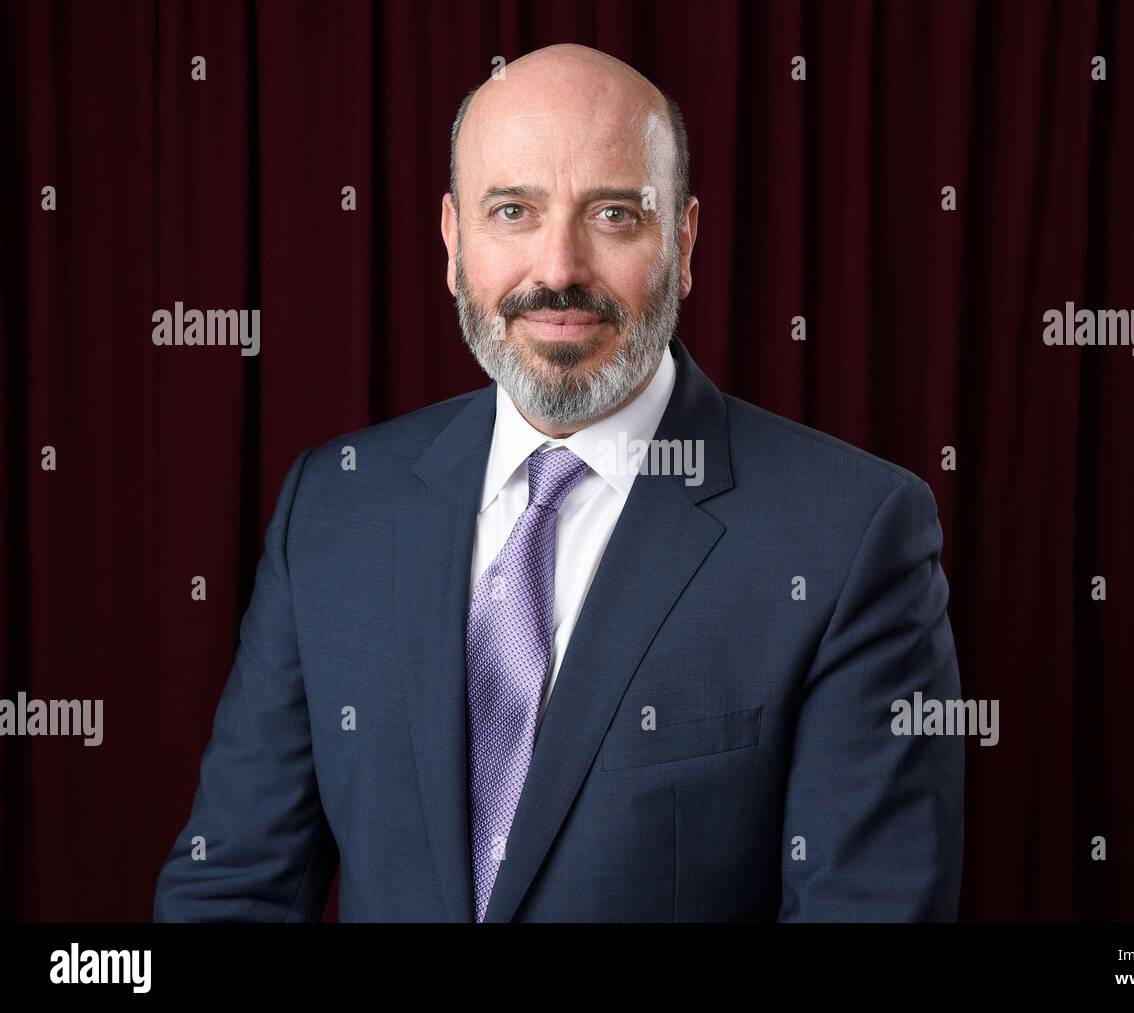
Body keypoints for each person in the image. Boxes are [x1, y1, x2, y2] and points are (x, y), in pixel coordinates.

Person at [154, 43, 963, 922]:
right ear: (454, 243)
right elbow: (231, 888)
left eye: (614, 214)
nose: (558, 271)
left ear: (682, 243)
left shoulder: (851, 535)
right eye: (512, 211)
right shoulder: (334, 508)